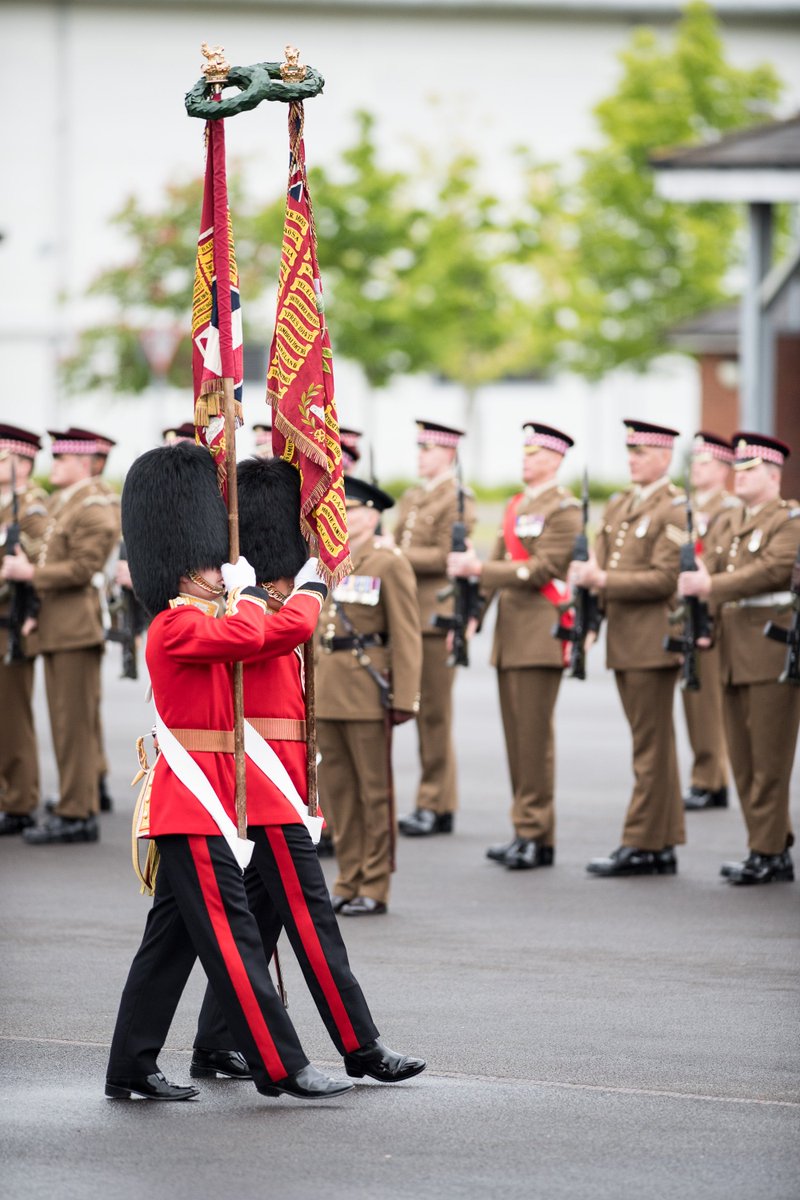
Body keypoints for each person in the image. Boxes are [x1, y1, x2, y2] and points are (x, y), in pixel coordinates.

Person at [105, 442, 352, 1102]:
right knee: (235, 942)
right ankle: (282, 1065)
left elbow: (266, 639)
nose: (221, 570)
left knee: (168, 947)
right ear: (186, 567)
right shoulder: (173, 628)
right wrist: (270, 593)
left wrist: (279, 594)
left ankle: (130, 1063)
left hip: (211, 803)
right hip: (193, 807)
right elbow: (251, 634)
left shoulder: (198, 616)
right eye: (211, 561)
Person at [191, 456, 426, 1082]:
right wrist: (311, 583)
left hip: (276, 784)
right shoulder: (261, 611)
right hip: (264, 789)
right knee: (313, 923)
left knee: (260, 920)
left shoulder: (258, 604)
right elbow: (291, 630)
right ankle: (361, 1046)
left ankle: (214, 1041)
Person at [448, 422, 581, 869]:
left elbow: (541, 569)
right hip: (512, 636)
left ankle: (537, 833)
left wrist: (478, 570)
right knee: (516, 739)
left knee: (534, 739)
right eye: (524, 451)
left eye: (535, 453)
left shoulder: (565, 509)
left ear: (556, 459)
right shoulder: (517, 504)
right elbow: (499, 565)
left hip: (541, 633)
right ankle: (524, 828)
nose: (525, 458)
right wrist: (471, 614)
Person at [679, 432, 800, 886]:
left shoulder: (789, 520)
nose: (740, 476)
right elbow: (712, 568)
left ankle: (767, 851)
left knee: (770, 760)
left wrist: (711, 587)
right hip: (733, 649)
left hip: (769, 650)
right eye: (739, 468)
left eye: (749, 470)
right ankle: (768, 846)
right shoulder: (732, 523)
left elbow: (771, 570)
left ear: (773, 476)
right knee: (745, 760)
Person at [569, 419, 687, 877]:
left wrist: (602, 580)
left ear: (664, 457)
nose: (633, 458)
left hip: (652, 642)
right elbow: (600, 557)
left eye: (642, 452)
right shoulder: (621, 503)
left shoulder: (673, 509)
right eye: (630, 451)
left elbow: (664, 578)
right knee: (653, 743)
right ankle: (661, 843)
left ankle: (642, 841)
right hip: (626, 639)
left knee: (650, 746)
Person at [2, 427, 120, 845]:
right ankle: (75, 806)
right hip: (57, 625)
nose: (54, 465)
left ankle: (78, 813)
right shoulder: (68, 503)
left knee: (74, 728)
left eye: (62, 459)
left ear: (84, 464)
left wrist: (29, 573)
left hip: (74, 628)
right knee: (66, 726)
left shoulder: (92, 507)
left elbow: (83, 568)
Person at [316, 475, 422, 914]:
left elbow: (406, 634)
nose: (347, 515)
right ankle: (348, 876)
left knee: (373, 792)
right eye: (343, 508)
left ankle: (374, 885)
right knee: (338, 791)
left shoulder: (387, 561)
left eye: (355, 509)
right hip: (328, 690)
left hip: (366, 690)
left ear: (374, 514)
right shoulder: (326, 559)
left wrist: (405, 698)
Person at [386, 420, 475, 837]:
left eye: (429, 448)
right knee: (414, 709)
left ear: (449, 452)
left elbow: (446, 555)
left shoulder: (457, 498)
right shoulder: (415, 495)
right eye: (419, 446)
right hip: (408, 616)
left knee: (435, 716)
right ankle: (430, 799)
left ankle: (437, 802)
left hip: (435, 619)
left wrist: (395, 552)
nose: (421, 454)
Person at [681, 432, 740, 811]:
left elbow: (722, 565)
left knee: (708, 703)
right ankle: (706, 775)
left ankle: (712, 780)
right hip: (688, 614)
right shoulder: (688, 507)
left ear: (722, 469)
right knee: (693, 698)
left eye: (704, 463)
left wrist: (710, 619)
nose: (695, 469)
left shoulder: (728, 508)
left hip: (710, 617)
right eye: (695, 462)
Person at [0, 425, 48, 836]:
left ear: (22, 462)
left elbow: (39, 568)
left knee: (12, 718)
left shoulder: (31, 508)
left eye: (3, 458)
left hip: (12, 622)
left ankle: (19, 801)